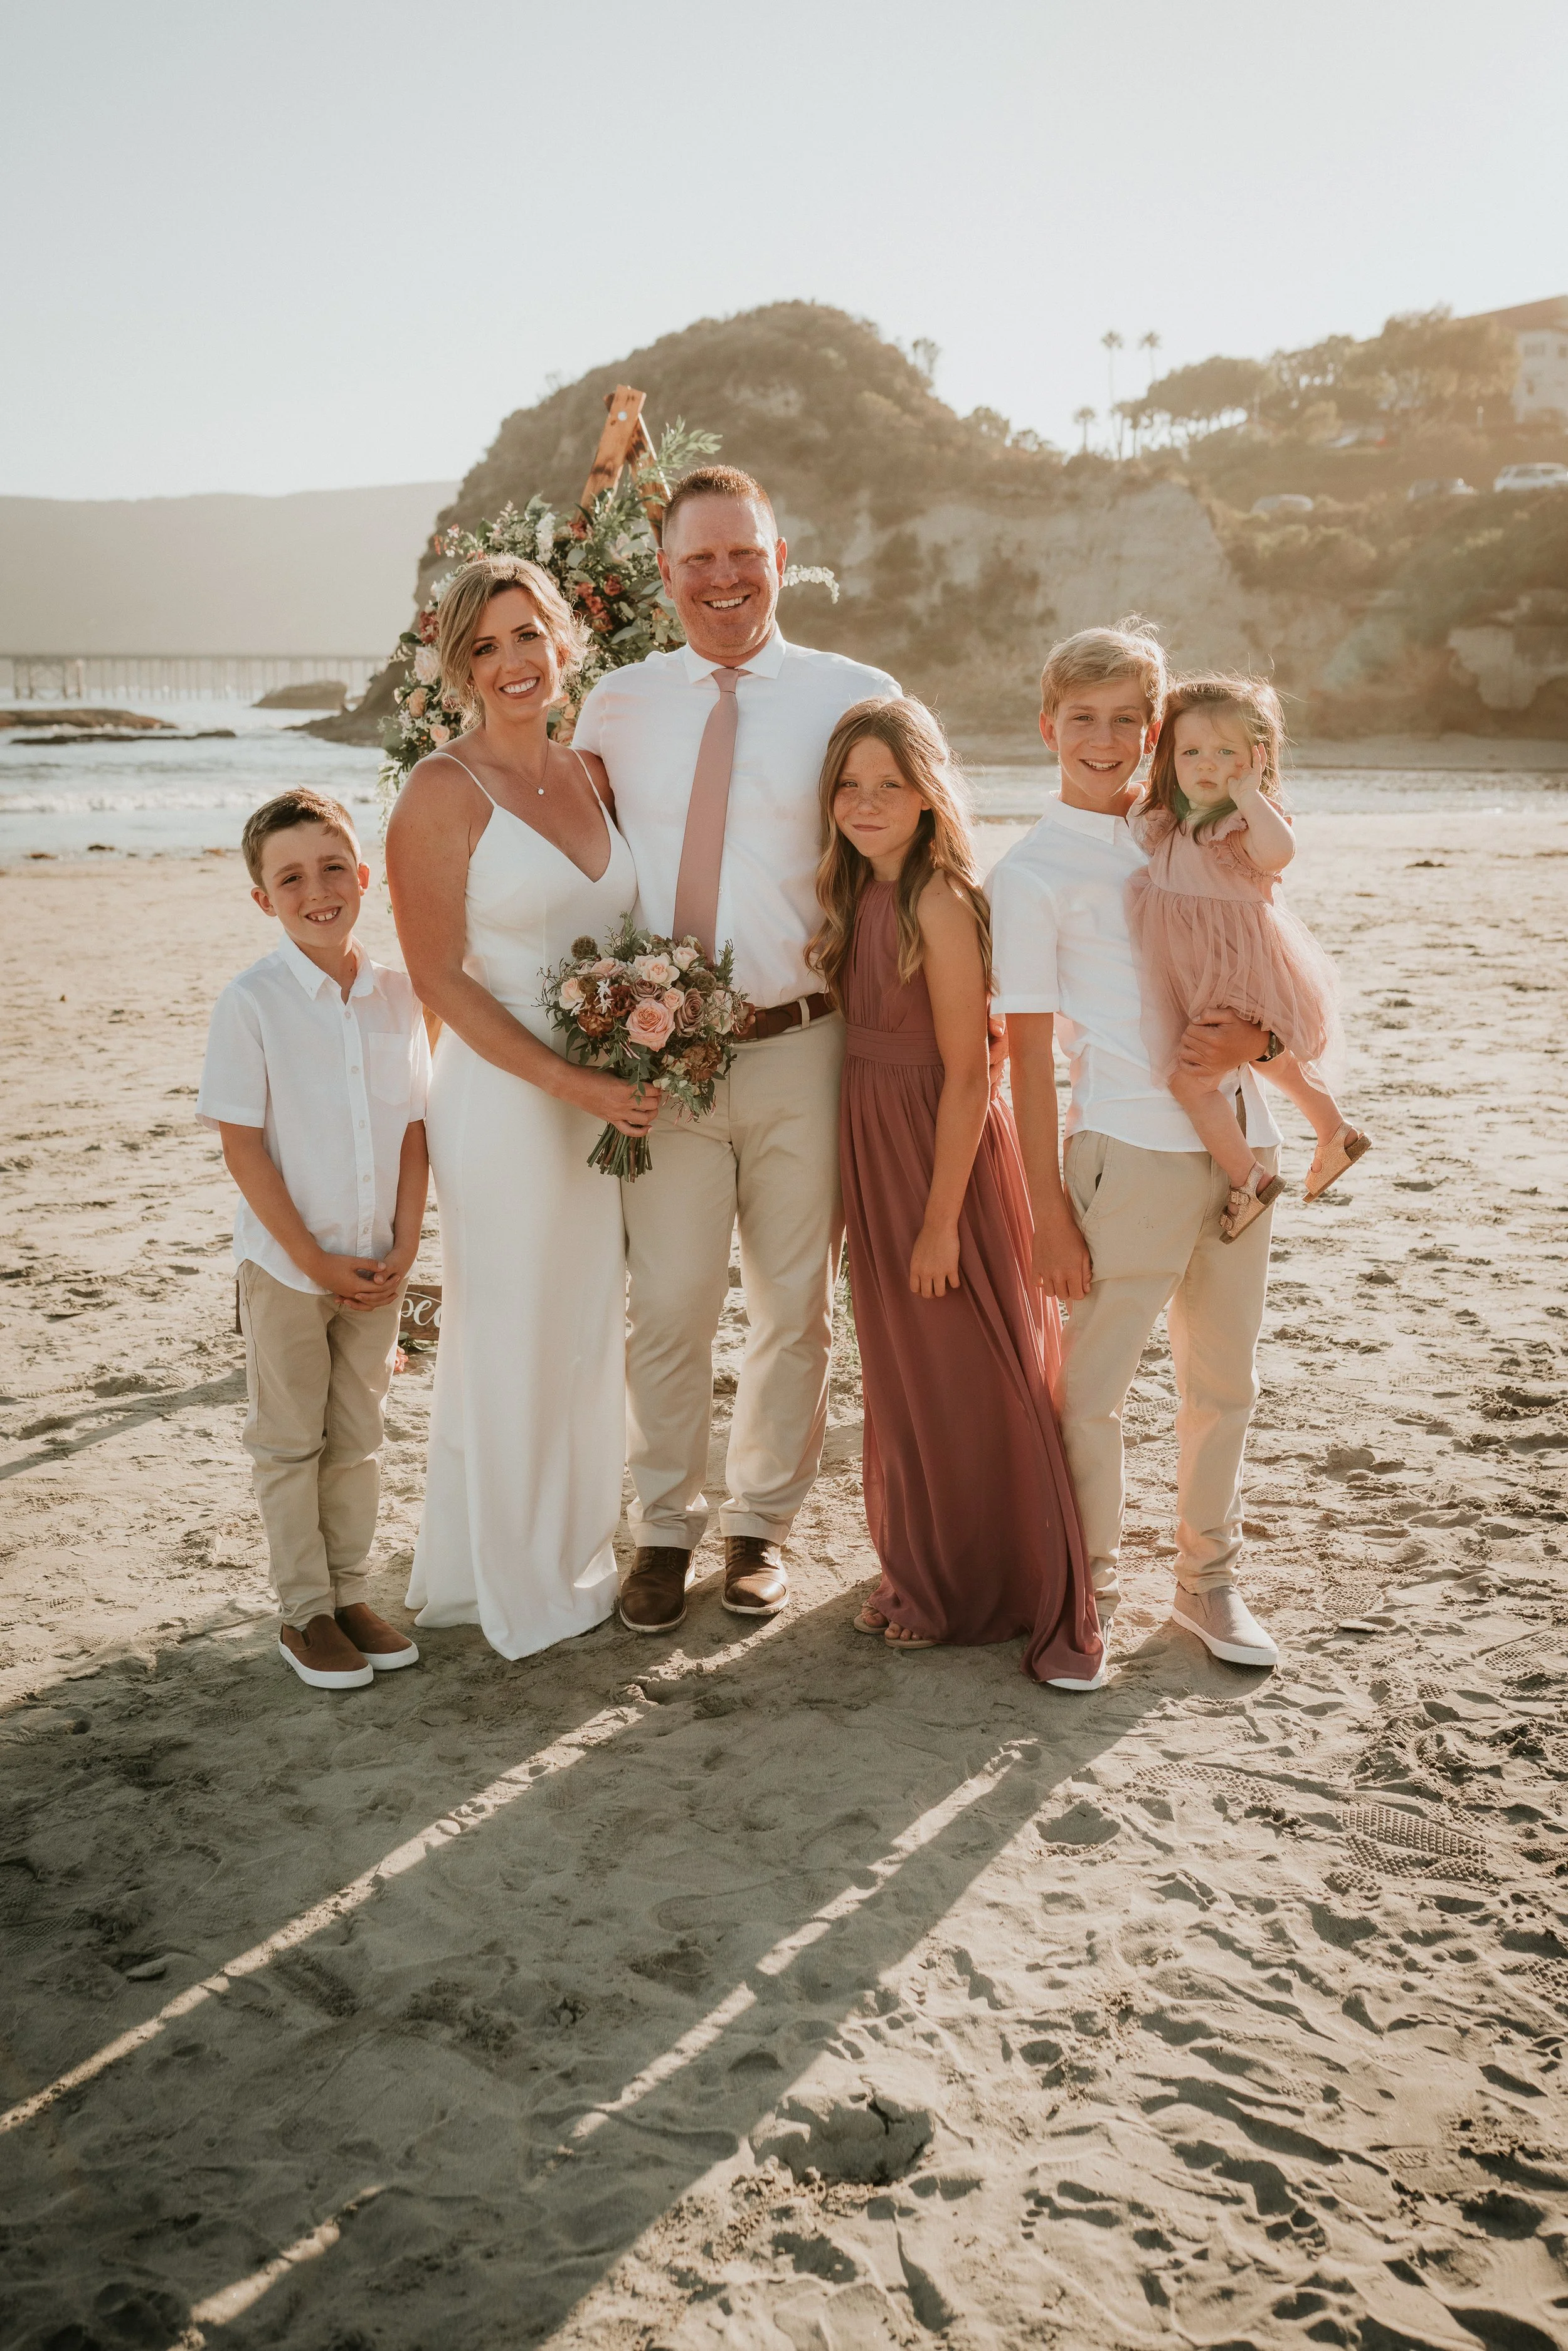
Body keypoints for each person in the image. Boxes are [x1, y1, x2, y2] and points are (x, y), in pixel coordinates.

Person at [572, 465, 899, 1633]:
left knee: (792, 1304)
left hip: (806, 1044)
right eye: (697, 559)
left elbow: (919, 850)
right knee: (665, 1304)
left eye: (742, 554)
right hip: (664, 1061)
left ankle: (761, 1527)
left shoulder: (853, 696)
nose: (722, 578)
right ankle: (664, 1529)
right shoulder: (614, 702)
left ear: (779, 554)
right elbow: (575, 864)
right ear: (663, 573)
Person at [990, 620, 1283, 1674]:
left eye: (1127, 719)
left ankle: (1207, 1583)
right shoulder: (1029, 873)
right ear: (1049, 727)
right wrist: (1046, 1208)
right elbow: (1022, 1061)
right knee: (1092, 1392)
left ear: (1156, 726)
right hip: (1125, 1153)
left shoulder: (1196, 833)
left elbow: (1271, 965)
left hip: (1242, 1144)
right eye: (1083, 720)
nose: (1105, 739)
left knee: (1226, 1382)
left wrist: (1268, 1040)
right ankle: (1089, 1588)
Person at [385, 555, 655, 1661]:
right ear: (458, 665)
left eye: (528, 635)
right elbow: (440, 977)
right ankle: (509, 1569)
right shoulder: (440, 791)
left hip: (598, 1098)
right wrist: (577, 1081)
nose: (513, 663)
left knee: (587, 1318)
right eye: (486, 646)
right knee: (509, 1323)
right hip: (504, 1101)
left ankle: (576, 1537)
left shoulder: (594, 772)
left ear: (565, 641)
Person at [811, 697, 1103, 1686]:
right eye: (849, 786)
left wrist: (940, 1223)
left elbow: (972, 1074)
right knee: (904, 1368)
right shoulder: (859, 892)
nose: (866, 802)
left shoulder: (938, 898)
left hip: (938, 1154)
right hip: (875, 1140)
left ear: (930, 796)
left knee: (957, 1365)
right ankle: (921, 1566)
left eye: (889, 784)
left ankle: (969, 1585)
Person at [198, 788, 429, 1692]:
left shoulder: (399, 998)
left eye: (334, 868)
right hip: (288, 1267)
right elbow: (242, 1145)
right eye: (291, 877)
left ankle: (350, 1591)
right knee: (290, 1441)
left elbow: (415, 1129)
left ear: (363, 877)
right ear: (264, 900)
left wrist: (407, 1243)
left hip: (379, 1261)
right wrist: (311, 1259)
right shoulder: (251, 1002)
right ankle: (304, 1610)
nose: (318, 889)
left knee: (360, 1436)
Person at [1128, 674, 1371, 1238]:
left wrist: (1251, 798)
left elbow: (1281, 851)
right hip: (1204, 973)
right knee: (1261, 1053)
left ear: (1256, 759)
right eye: (1191, 752)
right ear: (1169, 757)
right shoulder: (1173, 818)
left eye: (1225, 753)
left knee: (1192, 1080)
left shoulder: (1241, 824)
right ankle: (1334, 1128)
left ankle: (1249, 1179)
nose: (1207, 764)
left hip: (1234, 970)